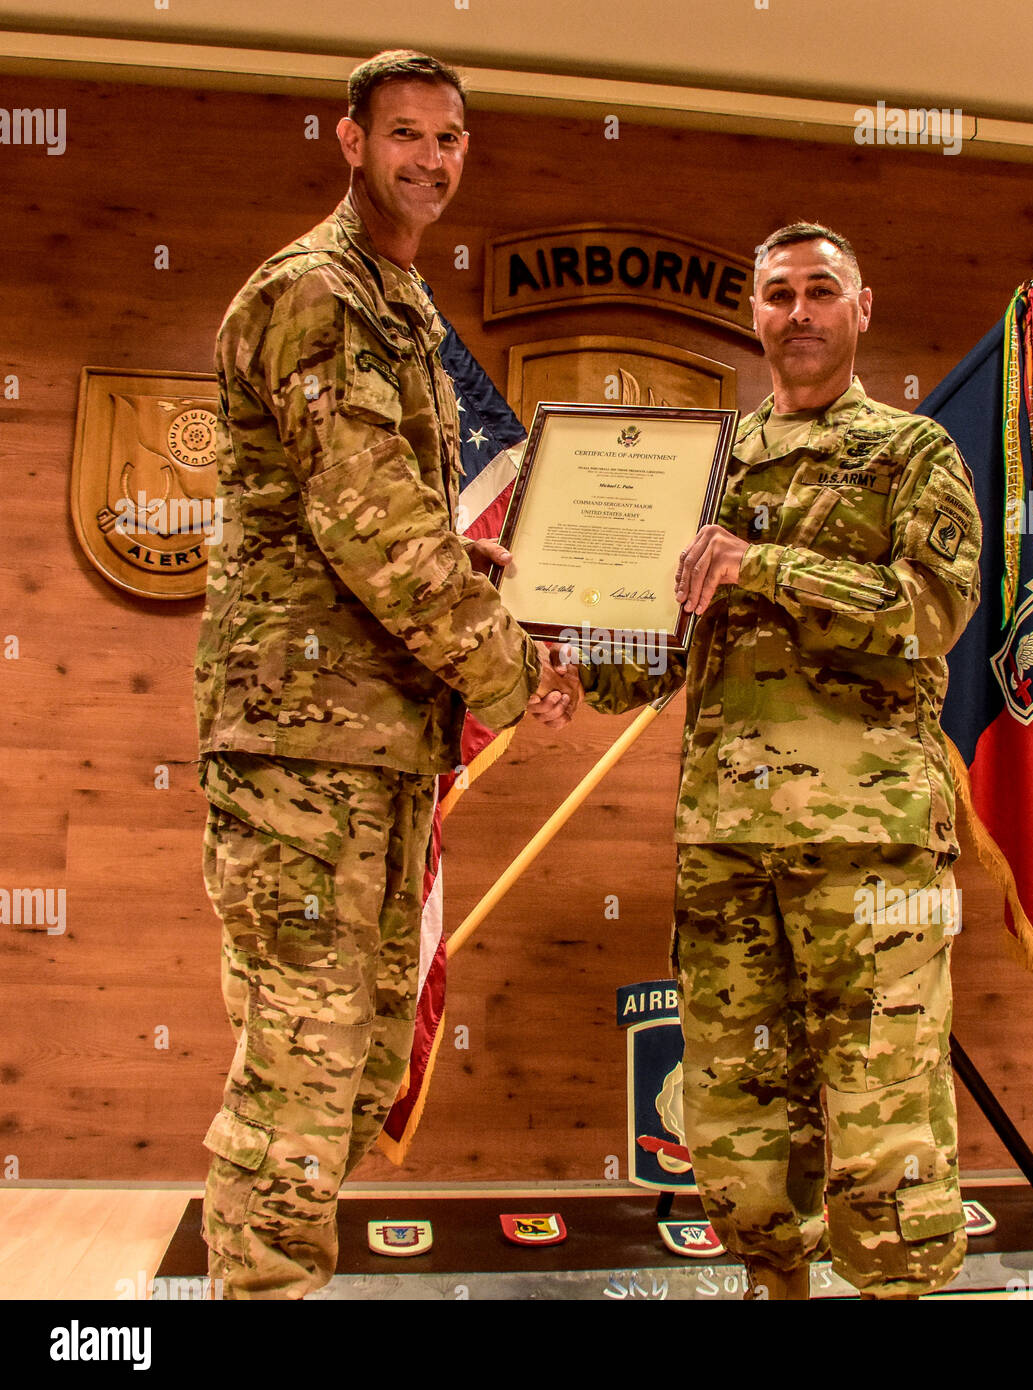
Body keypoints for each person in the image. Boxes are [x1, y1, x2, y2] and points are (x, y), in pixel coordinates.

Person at [539, 222, 982, 1299]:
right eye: (776, 294)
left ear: (859, 308)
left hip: (869, 853)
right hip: (725, 847)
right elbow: (655, 651)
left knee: (885, 1133)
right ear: (753, 315)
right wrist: (568, 645)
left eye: (819, 290)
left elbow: (930, 611)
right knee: (735, 1132)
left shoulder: (910, 454)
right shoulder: (709, 464)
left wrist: (766, 563)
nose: (797, 313)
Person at [194, 49, 572, 1299]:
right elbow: (370, 527)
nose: (429, 158)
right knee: (299, 1071)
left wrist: (510, 575)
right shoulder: (319, 295)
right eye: (403, 133)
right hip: (302, 752)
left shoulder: (399, 306)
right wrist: (514, 668)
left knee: (352, 1073)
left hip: (380, 746)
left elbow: (400, 521)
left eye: (450, 138)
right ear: (348, 141)